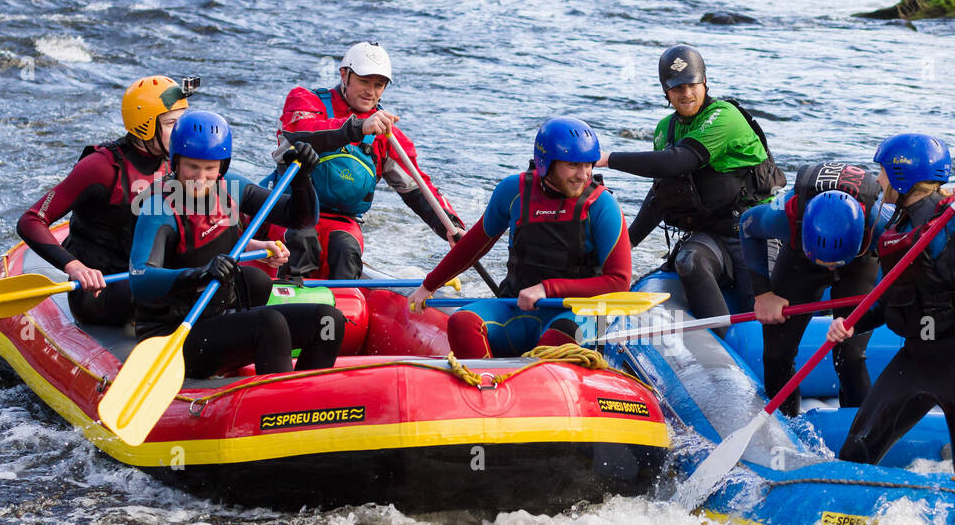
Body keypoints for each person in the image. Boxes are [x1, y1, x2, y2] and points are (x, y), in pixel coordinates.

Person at [830, 133, 955, 477]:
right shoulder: (897, 224)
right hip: (918, 359)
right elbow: (891, 298)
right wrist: (851, 324)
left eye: (883, 171)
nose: (878, 179)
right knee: (854, 454)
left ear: (903, 174)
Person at [129, 111, 345, 378]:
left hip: (217, 317)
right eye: (192, 167)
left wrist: (303, 179)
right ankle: (276, 409)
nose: (201, 177)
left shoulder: (232, 188)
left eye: (210, 168)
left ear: (223, 165)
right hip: (173, 335)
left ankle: (305, 403)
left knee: (328, 321)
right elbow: (140, 278)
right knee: (270, 323)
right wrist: (199, 273)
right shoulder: (157, 206)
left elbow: (301, 218)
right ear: (175, 162)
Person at [410, 118, 630, 358]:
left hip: (585, 314)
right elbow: (474, 245)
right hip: (516, 308)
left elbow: (619, 282)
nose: (583, 175)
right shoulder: (512, 192)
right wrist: (429, 285)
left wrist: (548, 289)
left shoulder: (602, 205)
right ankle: (485, 387)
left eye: (588, 165)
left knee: (556, 340)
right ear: (547, 163)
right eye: (573, 165)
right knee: (462, 322)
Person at [597, 44, 785, 320]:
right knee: (689, 260)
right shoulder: (665, 130)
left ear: (705, 83)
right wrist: (626, 245)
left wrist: (608, 159)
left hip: (755, 233)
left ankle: (746, 342)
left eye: (692, 85)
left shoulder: (725, 116)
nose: (686, 94)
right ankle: (715, 343)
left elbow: (679, 161)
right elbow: (661, 195)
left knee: (758, 310)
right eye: (676, 88)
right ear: (665, 91)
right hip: (712, 236)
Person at [274, 41, 464, 279]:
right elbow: (300, 132)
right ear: (344, 75)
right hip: (290, 211)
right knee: (302, 243)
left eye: (379, 85)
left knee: (346, 250)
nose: (371, 92)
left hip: (343, 221)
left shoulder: (387, 135)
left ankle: (342, 311)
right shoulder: (305, 101)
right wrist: (357, 128)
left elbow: (417, 188)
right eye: (364, 81)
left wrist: (451, 225)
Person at [17, 75, 196, 326]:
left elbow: (198, 220)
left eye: (183, 121)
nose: (182, 131)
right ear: (145, 125)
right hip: (100, 291)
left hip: (147, 275)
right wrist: (75, 267)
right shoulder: (101, 167)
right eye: (172, 123)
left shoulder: (175, 162)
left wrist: (249, 245)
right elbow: (31, 220)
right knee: (163, 290)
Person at [739, 164, 884, 414]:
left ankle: (858, 430)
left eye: (834, 264)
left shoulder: (883, 222)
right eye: (823, 263)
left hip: (860, 263)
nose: (829, 268)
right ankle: (785, 421)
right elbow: (746, 225)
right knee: (776, 355)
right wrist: (763, 294)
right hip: (800, 260)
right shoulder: (783, 216)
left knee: (849, 356)